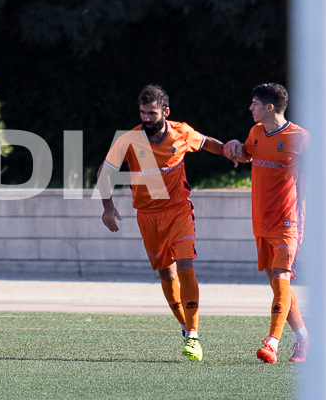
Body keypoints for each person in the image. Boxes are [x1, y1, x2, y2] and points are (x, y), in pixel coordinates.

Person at [97, 85, 235, 362]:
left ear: (166, 112)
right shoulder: (129, 139)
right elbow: (104, 173)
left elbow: (206, 142)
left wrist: (229, 151)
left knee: (185, 264)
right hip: (148, 216)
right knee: (166, 274)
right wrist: (108, 207)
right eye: (142, 112)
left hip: (178, 211)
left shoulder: (181, 132)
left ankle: (193, 335)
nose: (146, 118)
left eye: (152, 113)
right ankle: (186, 328)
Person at [224, 83, 310, 363]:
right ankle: (305, 340)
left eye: (254, 104)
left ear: (269, 107)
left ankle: (271, 343)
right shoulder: (256, 132)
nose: (250, 108)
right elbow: (247, 152)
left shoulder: (301, 138)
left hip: (288, 222)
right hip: (261, 222)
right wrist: (235, 148)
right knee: (278, 286)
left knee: (282, 280)